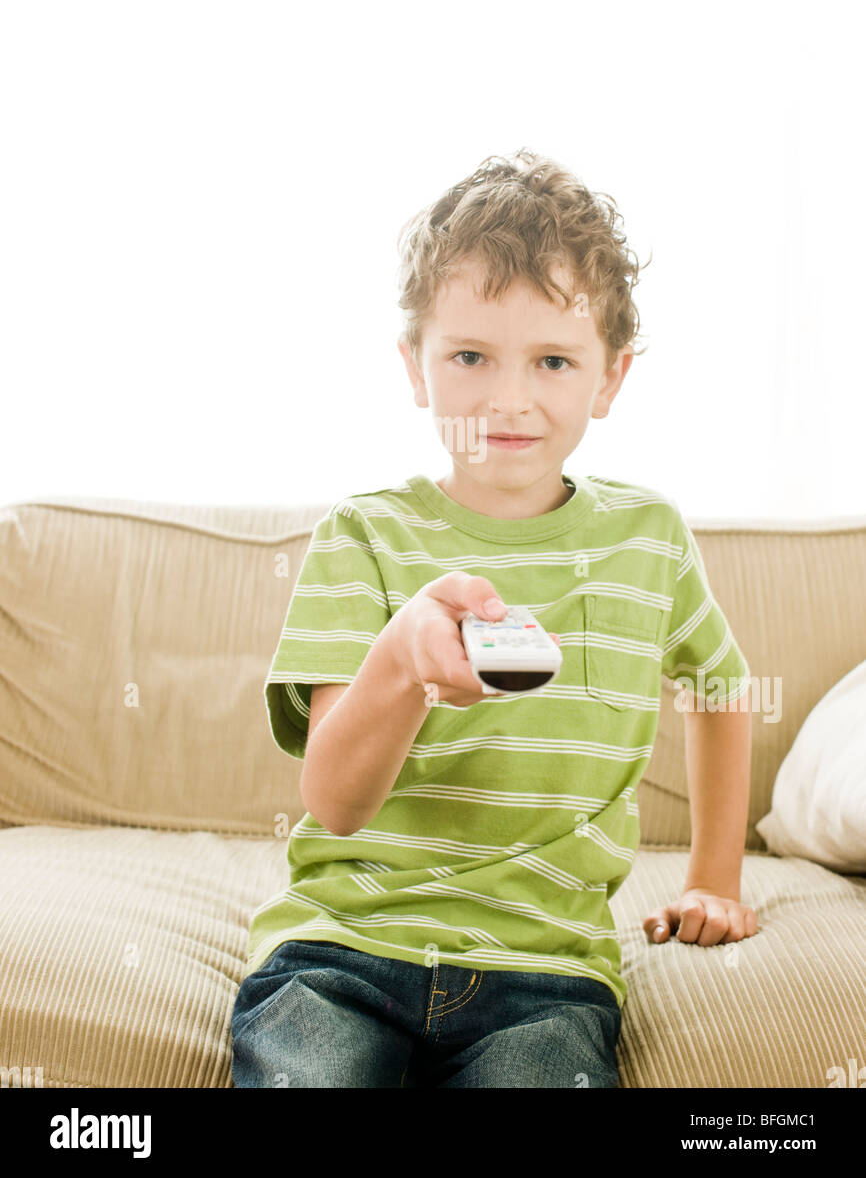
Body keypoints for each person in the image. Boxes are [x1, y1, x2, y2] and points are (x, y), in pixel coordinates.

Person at [231, 147, 757, 1088]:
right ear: (417, 367)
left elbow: (721, 688)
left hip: (546, 979)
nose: (509, 400)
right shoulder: (362, 538)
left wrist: (714, 878)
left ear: (609, 378)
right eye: (470, 356)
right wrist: (402, 666)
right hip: (342, 953)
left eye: (553, 360)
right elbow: (334, 802)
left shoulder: (649, 538)